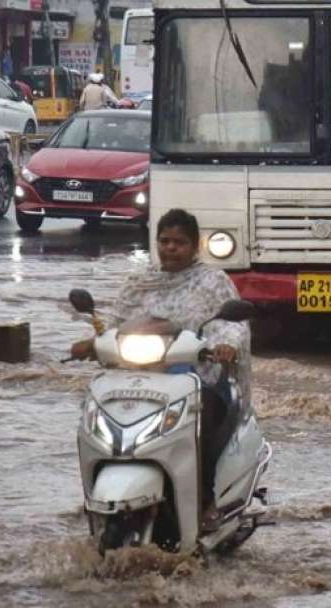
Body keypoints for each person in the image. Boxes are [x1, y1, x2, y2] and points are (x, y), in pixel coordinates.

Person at [70, 209, 250, 522]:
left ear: (195, 246)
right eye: (164, 241)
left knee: (201, 421)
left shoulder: (212, 281)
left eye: (178, 242)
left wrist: (225, 346)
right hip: (138, 375)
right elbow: (115, 325)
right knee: (96, 415)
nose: (170, 247)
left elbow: (231, 324)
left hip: (198, 377)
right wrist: (92, 344)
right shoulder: (140, 282)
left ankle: (205, 498)